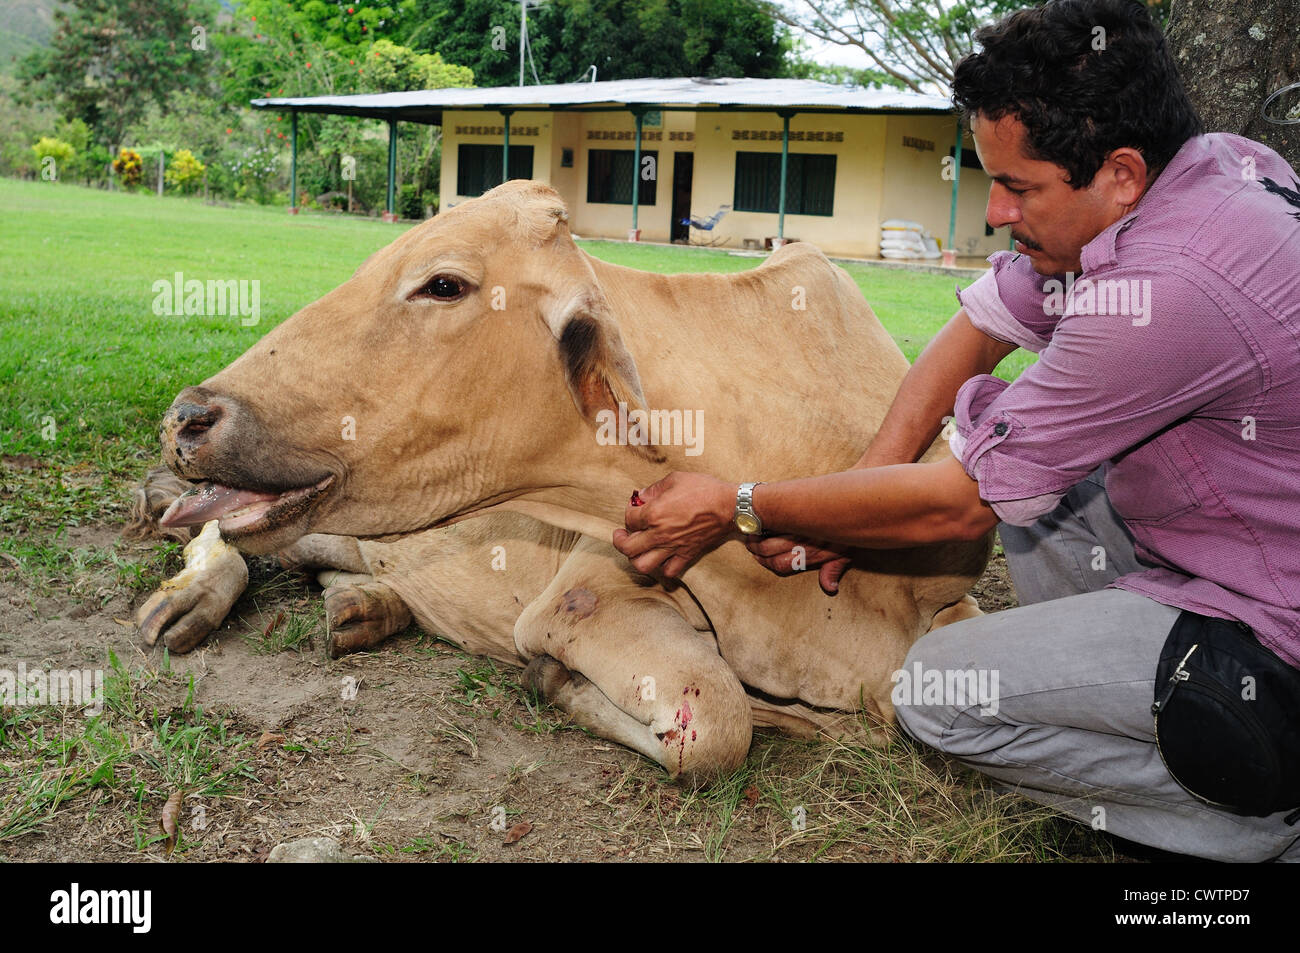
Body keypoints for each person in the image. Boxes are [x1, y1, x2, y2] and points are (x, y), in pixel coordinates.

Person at [611, 0, 1300, 861]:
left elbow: (954, 506)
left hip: (1269, 629)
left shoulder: (1166, 293)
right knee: (1035, 486)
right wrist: (859, 488)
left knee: (938, 693)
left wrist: (741, 504)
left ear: (1120, 173)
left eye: (1019, 187)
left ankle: (1251, 817)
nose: (998, 213)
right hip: (1246, 537)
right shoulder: (1217, 166)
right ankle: (1138, 693)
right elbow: (977, 328)